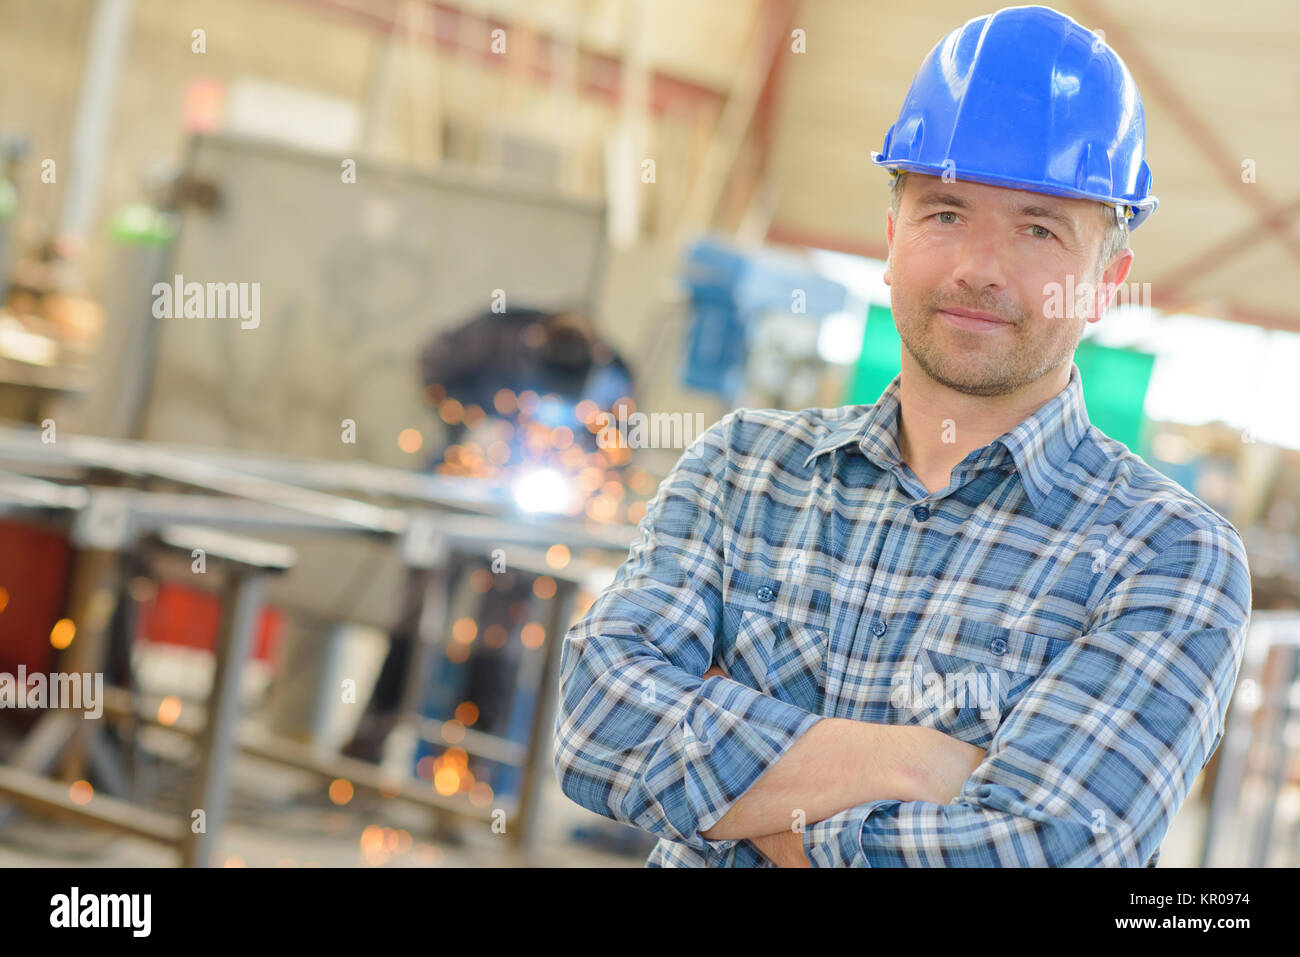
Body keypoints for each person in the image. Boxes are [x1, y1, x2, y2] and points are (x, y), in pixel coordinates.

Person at [552, 5, 1252, 867]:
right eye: (945, 212)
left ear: (1105, 281)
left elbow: (1041, 854)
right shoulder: (741, 470)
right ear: (891, 237)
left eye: (1038, 228)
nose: (976, 267)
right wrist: (917, 765)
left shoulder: (1169, 557)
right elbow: (598, 729)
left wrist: (736, 798)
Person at [342, 305, 635, 776]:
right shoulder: (495, 335)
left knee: (500, 642)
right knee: (415, 623)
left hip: (530, 516)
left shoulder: (614, 377)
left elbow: (617, 453)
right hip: (460, 490)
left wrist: (590, 473)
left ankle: (471, 774)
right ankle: (365, 749)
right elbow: (431, 362)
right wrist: (468, 418)